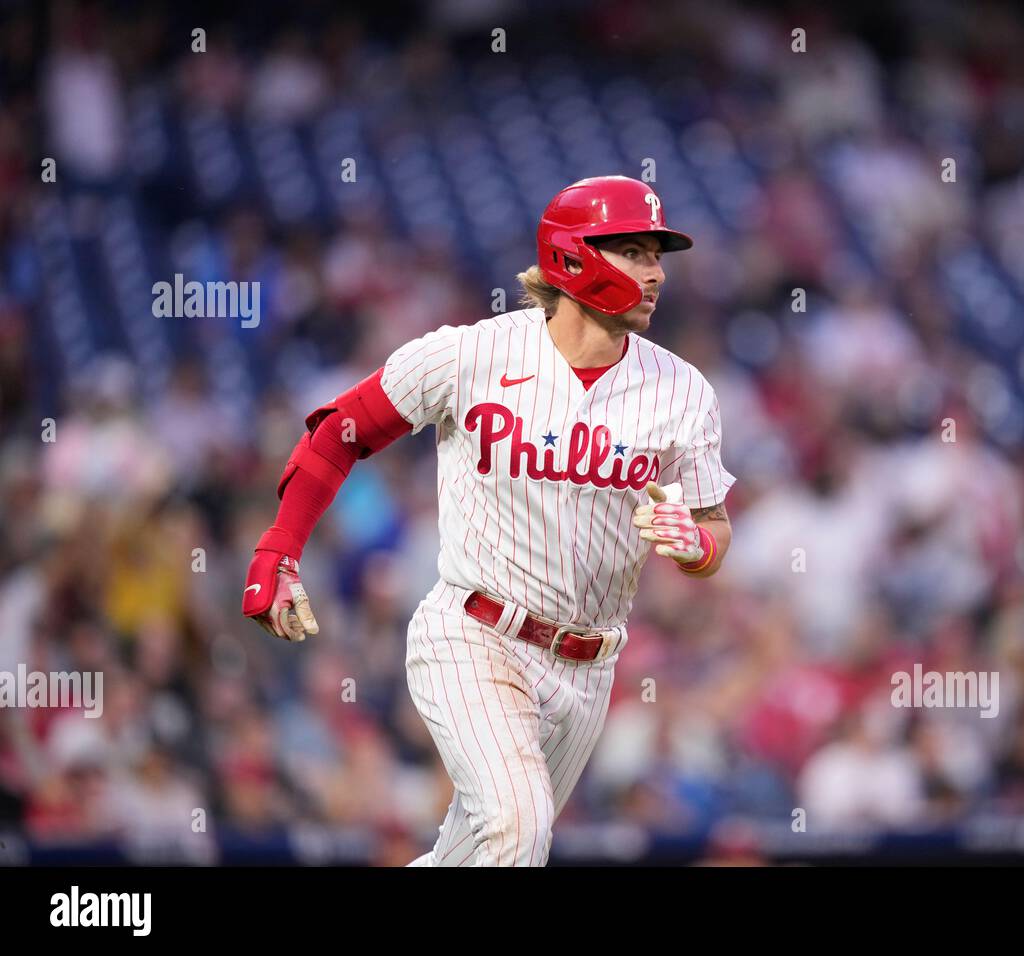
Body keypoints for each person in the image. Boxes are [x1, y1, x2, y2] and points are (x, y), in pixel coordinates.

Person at [242, 176, 736, 866]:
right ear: (572, 258)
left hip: (589, 667)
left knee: (473, 856)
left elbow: (715, 532)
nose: (655, 273)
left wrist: (697, 545)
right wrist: (280, 549)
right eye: (633, 251)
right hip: (474, 633)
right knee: (517, 828)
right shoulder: (474, 354)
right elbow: (340, 430)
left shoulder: (684, 391)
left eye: (658, 255)